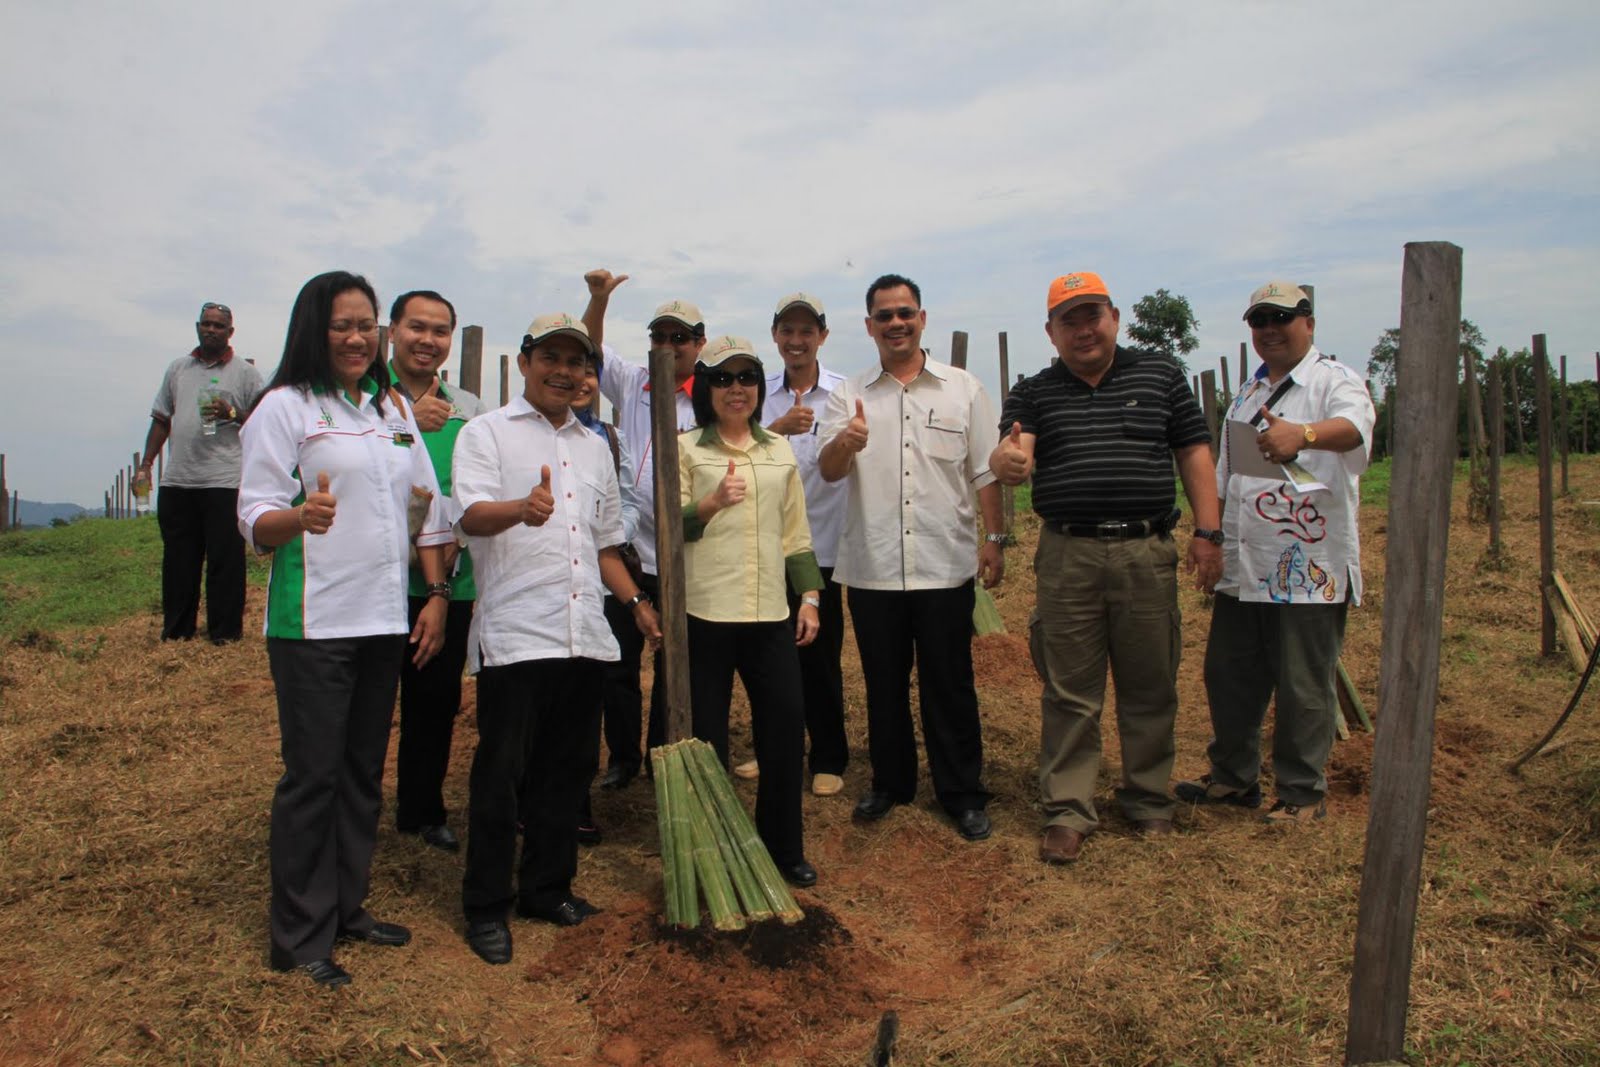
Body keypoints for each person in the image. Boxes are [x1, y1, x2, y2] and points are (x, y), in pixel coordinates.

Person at [238, 271, 455, 987]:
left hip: (383, 617)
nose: (357, 337)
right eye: (342, 325)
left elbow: (426, 503)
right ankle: (300, 936)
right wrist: (298, 517)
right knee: (315, 776)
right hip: (315, 622)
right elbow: (254, 516)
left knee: (363, 772)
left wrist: (435, 593)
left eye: (366, 325)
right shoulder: (286, 408)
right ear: (313, 329)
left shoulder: (392, 408)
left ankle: (347, 907)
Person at [991, 271, 1220, 865]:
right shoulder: (1034, 390)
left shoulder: (1160, 375)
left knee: (1150, 681)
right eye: (1069, 319)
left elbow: (1193, 449)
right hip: (1068, 555)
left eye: (1092, 314)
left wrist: (1208, 531)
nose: (1083, 328)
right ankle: (1068, 808)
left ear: (1114, 317)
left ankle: (1148, 798)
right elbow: (1015, 451)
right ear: (1051, 331)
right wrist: (1009, 462)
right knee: (1070, 690)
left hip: (1147, 551)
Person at [452, 313, 660, 966]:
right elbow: (468, 514)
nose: (564, 370)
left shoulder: (597, 444)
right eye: (551, 356)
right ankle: (486, 904)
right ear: (524, 362)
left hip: (585, 636)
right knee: (500, 776)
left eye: (576, 360)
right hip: (516, 635)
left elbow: (603, 543)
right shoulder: (486, 433)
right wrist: (519, 508)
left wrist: (635, 602)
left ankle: (547, 887)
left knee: (568, 773)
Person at [1176, 281, 1375, 825]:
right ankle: (1233, 780)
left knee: (1303, 686)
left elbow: (1356, 428)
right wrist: (1208, 536)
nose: (1269, 329)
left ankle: (1302, 793)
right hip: (1245, 565)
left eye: (1282, 317)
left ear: (1308, 322)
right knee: (1228, 675)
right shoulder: (1248, 393)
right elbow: (1224, 476)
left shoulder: (1334, 381)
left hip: (1307, 568)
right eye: (1259, 320)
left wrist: (1304, 435)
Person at [818, 274, 1005, 842]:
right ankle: (891, 782)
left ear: (922, 318)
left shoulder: (962, 389)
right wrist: (845, 442)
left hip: (944, 563)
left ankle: (961, 792)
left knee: (950, 683)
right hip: (874, 567)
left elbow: (985, 471)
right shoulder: (848, 395)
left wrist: (994, 540)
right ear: (869, 325)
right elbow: (828, 471)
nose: (895, 323)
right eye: (884, 315)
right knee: (883, 682)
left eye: (905, 313)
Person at [679, 335, 821, 887]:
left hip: (768, 614)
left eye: (746, 379)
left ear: (759, 390)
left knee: (784, 730)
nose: (735, 389)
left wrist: (808, 597)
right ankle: (712, 851)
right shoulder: (688, 449)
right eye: (722, 378)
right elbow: (672, 527)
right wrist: (710, 505)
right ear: (705, 389)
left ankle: (783, 849)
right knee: (707, 738)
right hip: (707, 613)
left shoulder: (778, 450)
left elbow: (795, 532)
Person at [582, 271, 701, 785]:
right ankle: (623, 758)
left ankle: (661, 754)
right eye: (660, 336)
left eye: (680, 337)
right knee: (617, 663)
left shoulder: (709, 398)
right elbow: (589, 347)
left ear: (699, 343)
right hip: (627, 552)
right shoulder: (633, 381)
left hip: (681, 554)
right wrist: (598, 300)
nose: (668, 346)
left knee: (675, 662)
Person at [386, 290, 486, 853]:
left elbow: (479, 487)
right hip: (376, 579)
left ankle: (422, 808)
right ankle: (356, 807)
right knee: (372, 702)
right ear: (393, 332)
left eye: (440, 330)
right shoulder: (367, 402)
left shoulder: (469, 408)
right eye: (417, 328)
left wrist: (459, 541)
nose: (428, 340)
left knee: (435, 698)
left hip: (450, 580)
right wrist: (405, 422)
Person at [762, 293, 850, 796]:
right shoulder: (756, 390)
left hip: (822, 547)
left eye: (806, 331)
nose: (796, 341)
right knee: (770, 655)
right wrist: (776, 429)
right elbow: (740, 445)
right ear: (775, 335)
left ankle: (829, 755)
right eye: (787, 331)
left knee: (819, 655)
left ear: (823, 335)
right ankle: (778, 748)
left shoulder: (840, 393)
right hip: (766, 546)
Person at [136, 301, 263, 643]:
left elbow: (265, 423)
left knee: (225, 561)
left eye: (218, 326)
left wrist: (233, 412)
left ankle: (225, 633)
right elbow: (161, 419)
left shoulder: (245, 374)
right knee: (179, 560)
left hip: (225, 480)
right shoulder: (178, 369)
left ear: (230, 332)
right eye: (206, 324)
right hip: (179, 480)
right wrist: (146, 464)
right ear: (197, 327)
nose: (210, 330)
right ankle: (177, 631)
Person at [571, 348, 641, 845]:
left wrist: (610, 533)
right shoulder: (510, 433)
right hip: (557, 582)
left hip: (606, 572)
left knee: (611, 674)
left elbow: (629, 500)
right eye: (572, 369)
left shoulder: (610, 437)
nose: (581, 380)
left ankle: (620, 759)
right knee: (566, 692)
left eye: (590, 372)